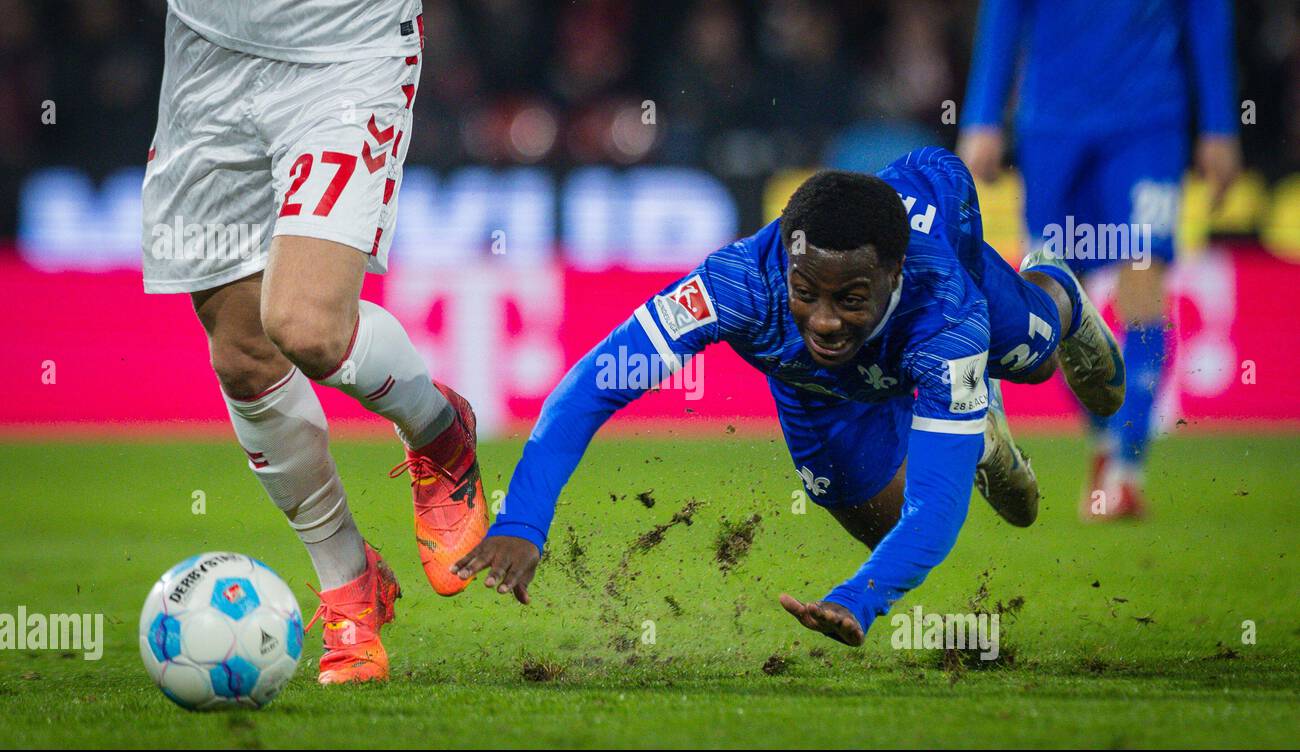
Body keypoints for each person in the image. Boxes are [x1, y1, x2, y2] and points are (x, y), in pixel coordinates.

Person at [451, 147, 1124, 645]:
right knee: (884, 525)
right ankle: (970, 427)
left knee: (1029, 357)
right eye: (807, 293)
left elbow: (940, 506)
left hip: (938, 258)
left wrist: (861, 597)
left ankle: (1056, 300)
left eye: (850, 299)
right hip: (817, 396)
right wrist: (523, 520)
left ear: (893, 275)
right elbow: (594, 387)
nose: (825, 321)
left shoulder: (947, 312)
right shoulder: (738, 284)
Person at [140, 1, 488, 684]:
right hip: (206, 57)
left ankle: (440, 432)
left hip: (343, 49)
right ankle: (350, 587)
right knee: (242, 353)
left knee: (306, 326)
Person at [958, 0, 1240, 519]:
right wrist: (983, 116)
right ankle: (1108, 446)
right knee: (1057, 305)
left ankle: (1125, 474)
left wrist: (1221, 126)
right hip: (1051, 128)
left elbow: (1206, 14)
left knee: (1142, 284)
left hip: (1147, 124)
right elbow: (1005, 11)